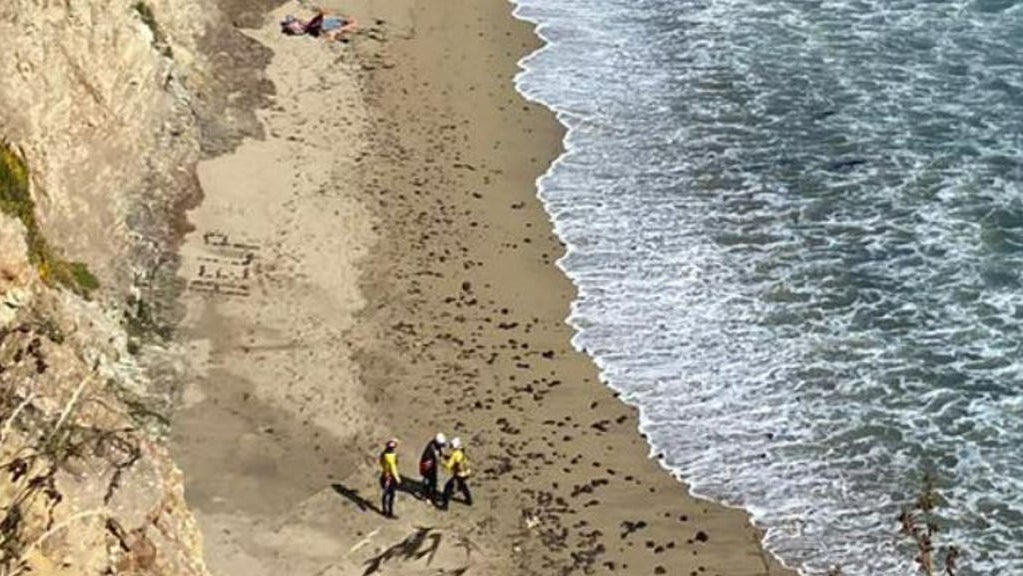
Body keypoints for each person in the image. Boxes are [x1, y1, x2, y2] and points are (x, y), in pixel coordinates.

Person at [440, 437, 472, 509]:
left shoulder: (454, 454)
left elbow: (448, 466)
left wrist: (442, 462)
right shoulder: (461, 451)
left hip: (459, 475)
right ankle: (469, 500)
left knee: (447, 488)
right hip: (467, 472)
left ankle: (445, 506)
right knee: (463, 486)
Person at [419, 433, 447, 503]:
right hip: (428, 468)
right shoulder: (430, 450)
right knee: (428, 482)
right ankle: (426, 496)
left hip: (433, 467)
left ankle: (433, 495)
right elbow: (428, 462)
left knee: (433, 482)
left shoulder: (435, 445)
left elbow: (440, 453)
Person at [379, 438, 401, 518]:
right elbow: (393, 468)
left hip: (384, 475)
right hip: (390, 478)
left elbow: (381, 462)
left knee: (385, 494)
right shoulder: (391, 457)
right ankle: (389, 512)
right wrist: (397, 479)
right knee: (391, 495)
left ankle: (384, 510)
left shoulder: (383, 454)